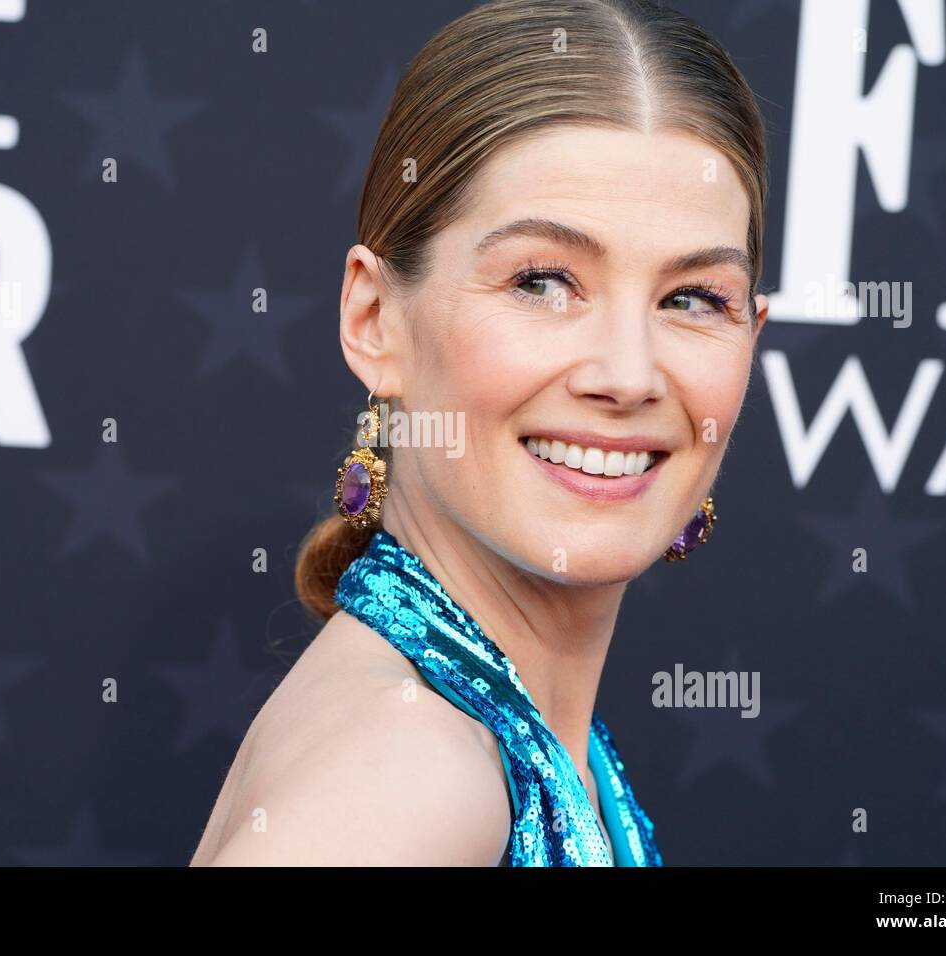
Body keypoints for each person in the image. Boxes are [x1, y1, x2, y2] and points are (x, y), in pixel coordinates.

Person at [191, 0, 769, 866]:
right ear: (375, 317)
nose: (627, 375)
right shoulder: (410, 772)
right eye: (543, 281)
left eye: (692, 299)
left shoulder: (486, 737)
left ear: (752, 334)